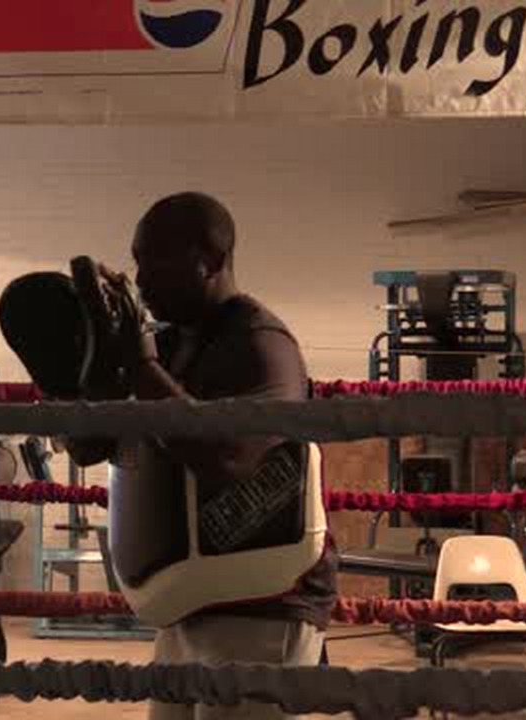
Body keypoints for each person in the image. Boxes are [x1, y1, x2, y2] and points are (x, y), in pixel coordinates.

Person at [68, 192, 338, 719]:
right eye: (137, 262)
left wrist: (141, 367)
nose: (141, 280)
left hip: (260, 606)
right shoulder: (169, 344)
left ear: (210, 261)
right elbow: (89, 447)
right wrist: (84, 371)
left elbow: (232, 458)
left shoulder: (261, 343)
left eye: (157, 262)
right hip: (186, 599)